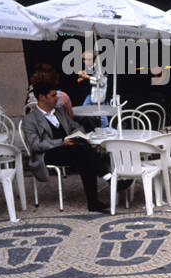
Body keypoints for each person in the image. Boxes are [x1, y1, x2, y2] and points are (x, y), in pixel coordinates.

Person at [22, 80, 122, 213]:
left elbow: (76, 126)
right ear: (42, 97)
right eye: (53, 95)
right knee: (84, 152)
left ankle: (94, 201)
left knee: (83, 154)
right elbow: (35, 145)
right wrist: (62, 141)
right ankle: (109, 180)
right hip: (48, 154)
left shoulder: (59, 111)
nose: (57, 98)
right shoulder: (30, 119)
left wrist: (75, 136)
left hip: (70, 150)